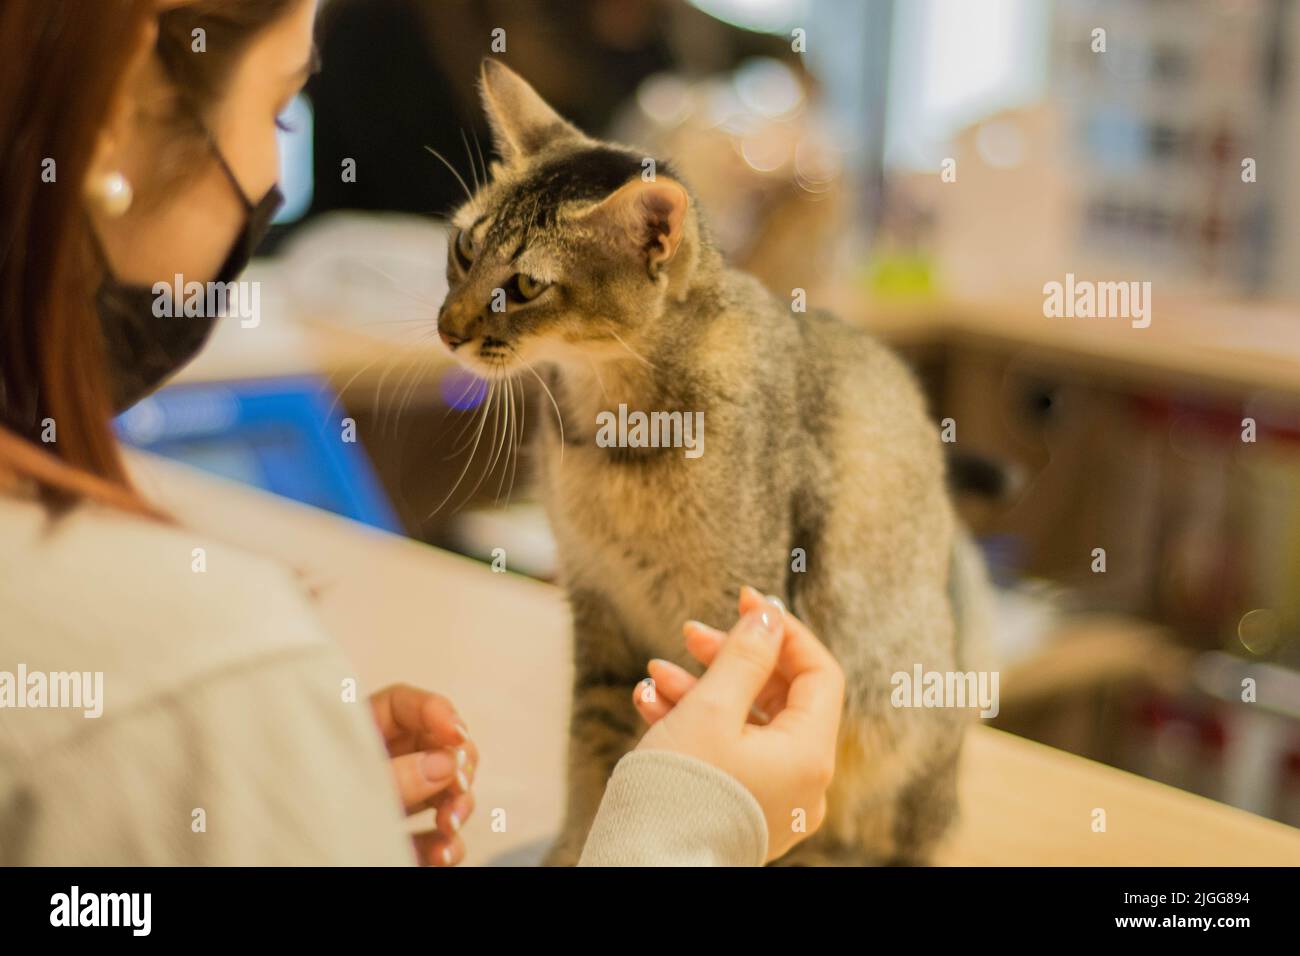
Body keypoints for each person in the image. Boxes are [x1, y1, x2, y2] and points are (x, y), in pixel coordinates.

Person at [0, 0, 844, 866]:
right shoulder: (200, 665)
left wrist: (259, 787)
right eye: (279, 108)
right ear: (111, 126)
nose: (270, 177)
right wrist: (684, 826)